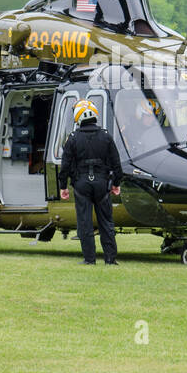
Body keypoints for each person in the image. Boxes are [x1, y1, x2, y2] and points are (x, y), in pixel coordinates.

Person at [57, 99, 123, 265]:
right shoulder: (106, 136)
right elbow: (117, 164)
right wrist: (116, 183)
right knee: (106, 222)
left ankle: (89, 259)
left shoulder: (72, 138)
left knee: (85, 222)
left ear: (77, 117)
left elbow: (65, 166)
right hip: (102, 183)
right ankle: (110, 259)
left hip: (81, 184)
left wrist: (63, 186)